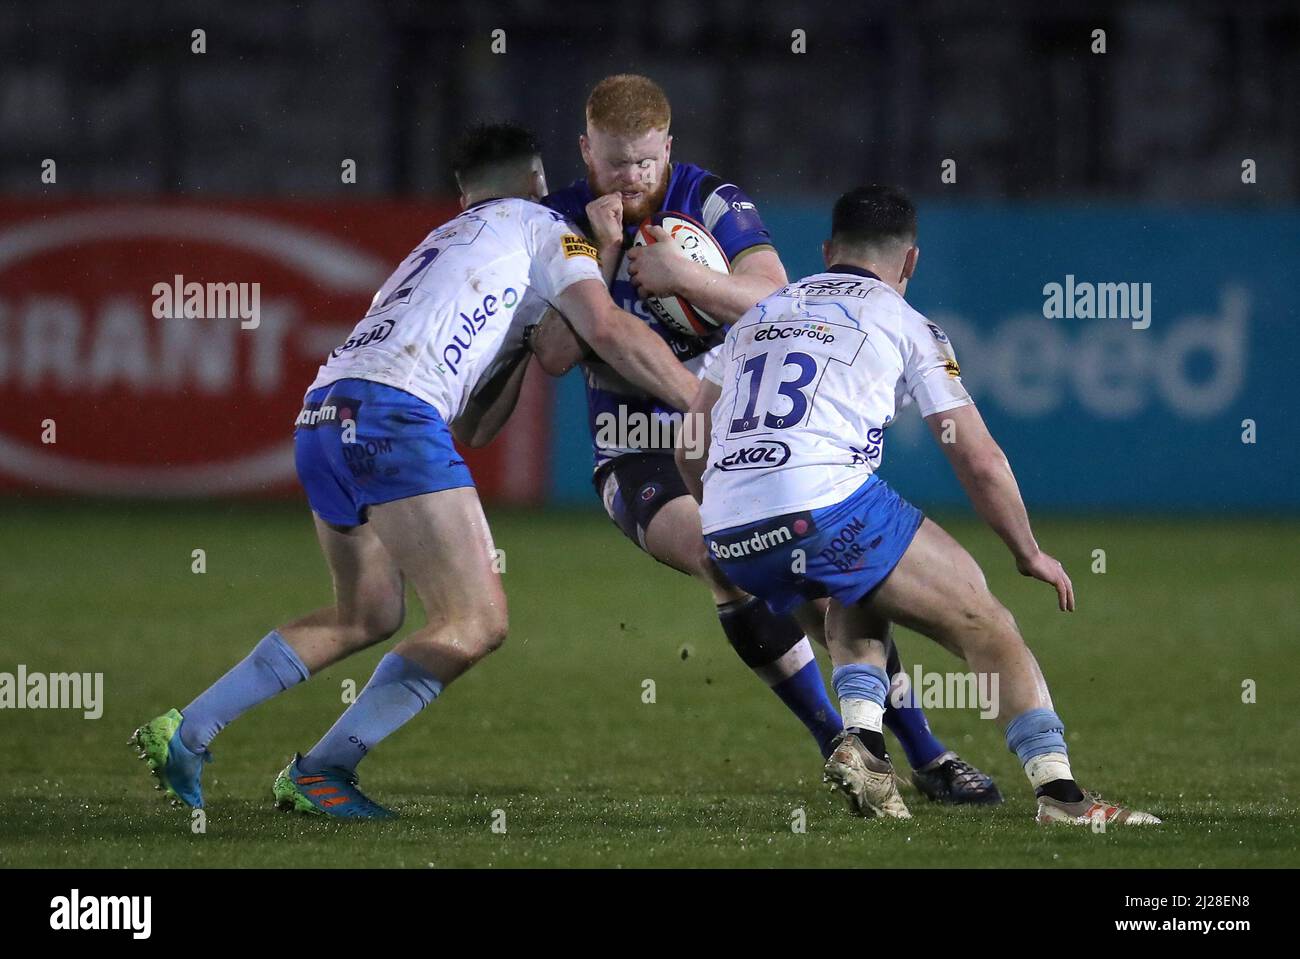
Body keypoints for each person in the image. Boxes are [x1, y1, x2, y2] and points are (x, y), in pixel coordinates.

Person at [130, 123, 699, 819]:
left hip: (323, 413)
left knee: (365, 611)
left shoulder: (442, 241)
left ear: (463, 194)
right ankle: (322, 770)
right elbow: (604, 329)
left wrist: (591, 264)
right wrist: (704, 403)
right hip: (394, 415)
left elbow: (510, 387)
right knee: (477, 620)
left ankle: (185, 730)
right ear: (539, 178)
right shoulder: (545, 224)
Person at [531, 74, 1000, 804]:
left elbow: (778, 292)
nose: (629, 179)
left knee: (831, 570)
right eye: (613, 162)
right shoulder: (560, 217)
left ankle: (926, 753)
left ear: (668, 148)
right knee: (722, 556)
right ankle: (840, 742)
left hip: (734, 425)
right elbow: (555, 353)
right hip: (635, 443)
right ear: (584, 148)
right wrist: (604, 250)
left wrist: (683, 275)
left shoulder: (712, 201)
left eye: (644, 163)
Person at [679, 185, 1160, 825]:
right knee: (985, 620)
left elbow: (692, 433)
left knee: (860, 583)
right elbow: (979, 458)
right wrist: (1028, 551)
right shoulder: (907, 323)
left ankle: (867, 746)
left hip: (728, 531)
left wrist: (727, 511)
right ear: (910, 263)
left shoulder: (760, 313)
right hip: (817, 502)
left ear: (826, 251)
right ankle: (1063, 798)